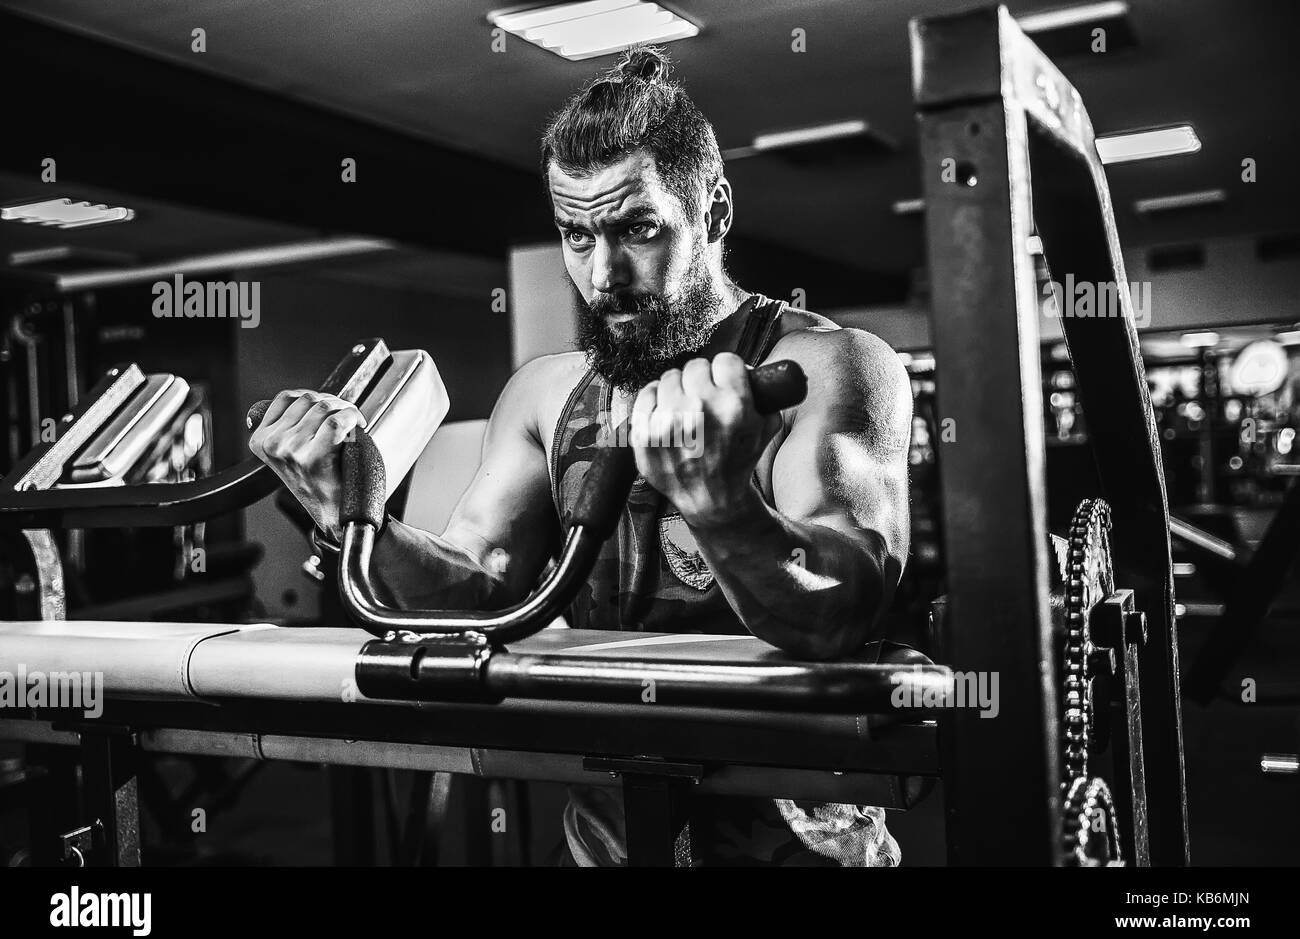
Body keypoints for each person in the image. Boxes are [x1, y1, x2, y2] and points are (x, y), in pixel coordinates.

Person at [251, 45, 913, 866]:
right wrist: (350, 515)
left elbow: (842, 609)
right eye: (575, 235)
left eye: (637, 229)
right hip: (611, 833)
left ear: (713, 211)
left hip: (795, 840)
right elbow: (472, 596)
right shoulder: (548, 393)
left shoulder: (827, 366)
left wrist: (721, 507)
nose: (603, 274)